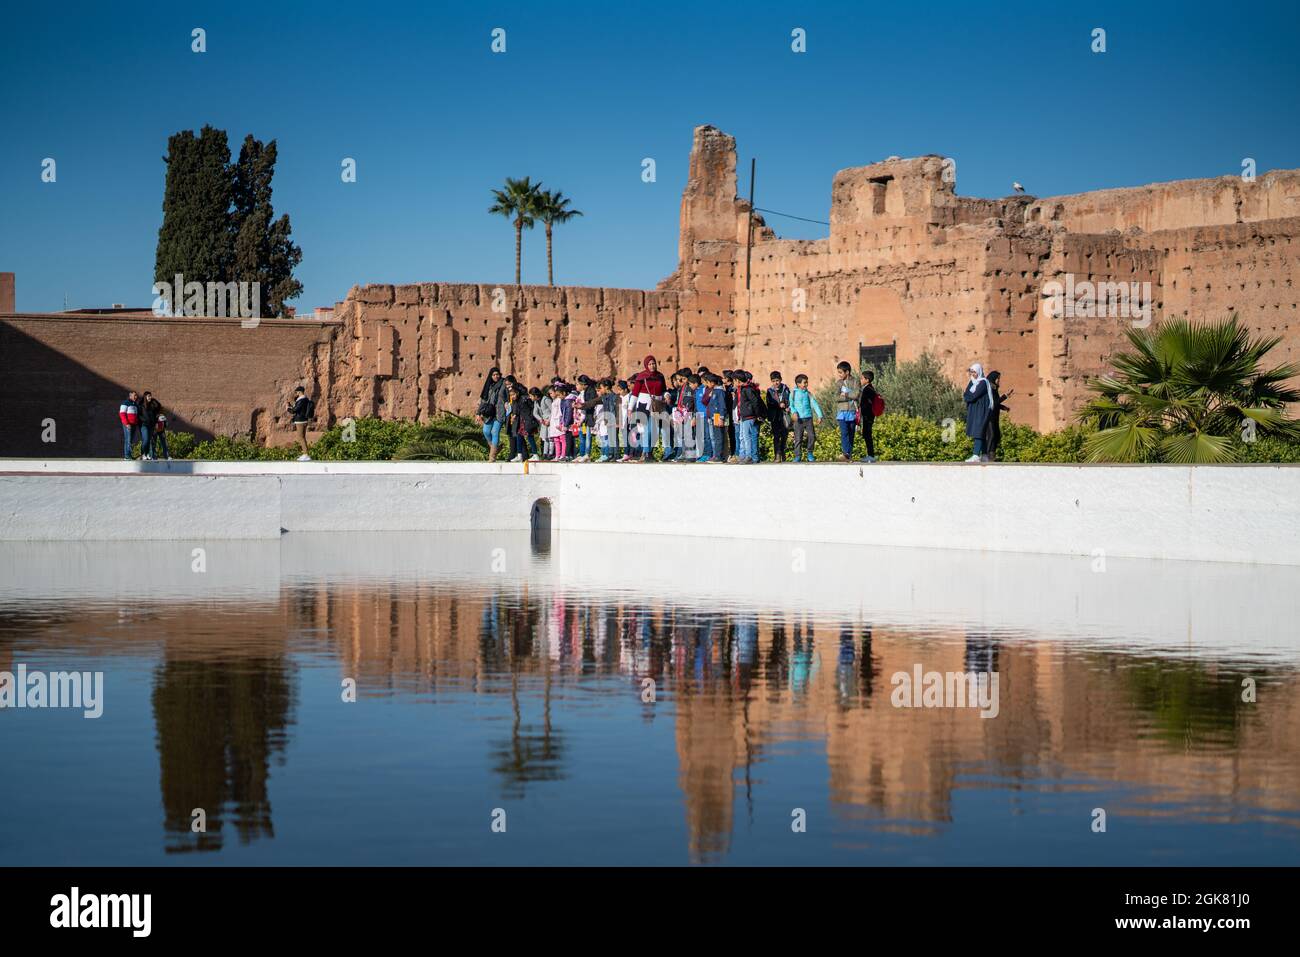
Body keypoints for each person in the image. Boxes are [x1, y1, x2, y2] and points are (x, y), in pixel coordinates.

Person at [630, 355, 667, 461]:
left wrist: (667, 395)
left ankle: (649, 452)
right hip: (644, 406)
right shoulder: (641, 377)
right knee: (647, 430)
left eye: (653, 363)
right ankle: (646, 452)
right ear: (646, 365)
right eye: (650, 364)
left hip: (656, 406)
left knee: (654, 431)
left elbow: (664, 390)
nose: (652, 366)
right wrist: (630, 408)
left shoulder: (660, 376)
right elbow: (635, 394)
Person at [964, 362, 995, 463]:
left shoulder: (983, 383)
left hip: (982, 411)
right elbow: (965, 394)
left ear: (979, 372)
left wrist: (968, 397)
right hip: (975, 410)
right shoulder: (972, 382)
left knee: (978, 431)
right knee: (980, 432)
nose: (972, 374)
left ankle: (976, 455)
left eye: (974, 372)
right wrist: (968, 397)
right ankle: (984, 455)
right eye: (971, 372)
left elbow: (973, 396)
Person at [476, 367, 508, 462]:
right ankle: (495, 448)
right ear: (491, 376)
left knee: (494, 432)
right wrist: (478, 413)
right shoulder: (488, 385)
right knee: (486, 431)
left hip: (500, 412)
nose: (496, 376)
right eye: (493, 375)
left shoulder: (504, 383)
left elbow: (509, 394)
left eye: (497, 374)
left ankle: (492, 457)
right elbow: (483, 400)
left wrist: (507, 403)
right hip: (489, 413)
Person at [789, 374, 823, 462]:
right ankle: (797, 456)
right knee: (798, 438)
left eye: (807, 382)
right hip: (798, 420)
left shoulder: (808, 393)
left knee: (812, 436)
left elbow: (815, 404)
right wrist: (794, 412)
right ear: (798, 384)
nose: (806, 384)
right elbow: (791, 405)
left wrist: (819, 415)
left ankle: (810, 453)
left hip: (808, 418)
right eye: (804, 382)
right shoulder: (793, 393)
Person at [983, 371, 1013, 461]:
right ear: (993, 378)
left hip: (995, 416)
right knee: (991, 434)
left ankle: (992, 454)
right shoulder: (989, 389)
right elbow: (993, 403)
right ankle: (986, 454)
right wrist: (1005, 396)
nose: (999, 380)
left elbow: (996, 403)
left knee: (996, 435)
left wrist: (1004, 408)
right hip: (989, 415)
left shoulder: (994, 389)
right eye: (998, 378)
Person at [735, 371, 763, 463]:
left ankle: (749, 456)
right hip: (745, 416)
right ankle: (749, 456)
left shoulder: (747, 389)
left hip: (749, 416)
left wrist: (757, 414)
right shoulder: (744, 389)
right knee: (745, 436)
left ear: (738, 380)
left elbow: (755, 402)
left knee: (747, 437)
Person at [834, 360, 858, 462]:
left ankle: (848, 455)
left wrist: (845, 394)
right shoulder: (839, 383)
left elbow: (856, 395)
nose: (839, 375)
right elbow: (836, 397)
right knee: (844, 433)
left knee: (851, 434)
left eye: (840, 372)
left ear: (847, 372)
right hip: (842, 412)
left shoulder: (855, 382)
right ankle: (846, 453)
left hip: (852, 412)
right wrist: (849, 396)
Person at [766, 371, 792, 462]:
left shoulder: (785, 389)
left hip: (784, 415)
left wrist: (787, 406)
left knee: (784, 435)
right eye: (773, 381)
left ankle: (782, 451)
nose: (776, 383)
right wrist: (778, 405)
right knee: (776, 436)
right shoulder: (770, 391)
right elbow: (769, 403)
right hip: (774, 416)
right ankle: (777, 454)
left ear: (781, 380)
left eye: (777, 380)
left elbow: (789, 399)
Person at [288, 385, 314, 460]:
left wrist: (288, 409)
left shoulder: (301, 400)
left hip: (300, 421)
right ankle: (305, 454)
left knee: (301, 437)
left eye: (296, 392)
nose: (296, 394)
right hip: (303, 420)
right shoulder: (305, 400)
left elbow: (294, 410)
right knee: (302, 437)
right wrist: (291, 406)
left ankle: (306, 454)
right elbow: (297, 408)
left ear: (299, 392)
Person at [858, 370, 878, 463]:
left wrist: (864, 412)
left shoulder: (868, 389)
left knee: (867, 434)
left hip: (868, 416)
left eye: (862, 378)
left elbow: (868, 403)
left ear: (867, 380)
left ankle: (871, 455)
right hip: (869, 415)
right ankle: (870, 455)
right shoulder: (870, 388)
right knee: (866, 434)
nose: (861, 380)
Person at [118, 390, 141, 460]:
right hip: (128, 424)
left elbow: (136, 415)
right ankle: (127, 456)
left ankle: (128, 455)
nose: (136, 397)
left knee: (130, 440)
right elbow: (122, 414)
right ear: (130, 395)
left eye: (136, 395)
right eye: (134, 395)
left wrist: (136, 423)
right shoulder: (125, 403)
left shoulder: (135, 404)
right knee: (128, 439)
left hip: (134, 425)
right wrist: (127, 424)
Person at [148, 395, 171, 460]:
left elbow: (165, 420)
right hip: (154, 429)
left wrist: (164, 424)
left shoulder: (161, 410)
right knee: (154, 443)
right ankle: (153, 456)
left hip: (161, 429)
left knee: (163, 442)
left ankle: (166, 456)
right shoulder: (150, 411)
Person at [138, 391, 157, 460]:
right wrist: (144, 420)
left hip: (151, 426)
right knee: (145, 439)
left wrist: (155, 423)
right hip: (144, 425)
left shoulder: (152, 406)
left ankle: (147, 454)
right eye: (149, 396)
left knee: (149, 440)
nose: (150, 397)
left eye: (150, 396)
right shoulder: (141, 406)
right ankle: (143, 454)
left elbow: (154, 416)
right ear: (145, 397)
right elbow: (139, 416)